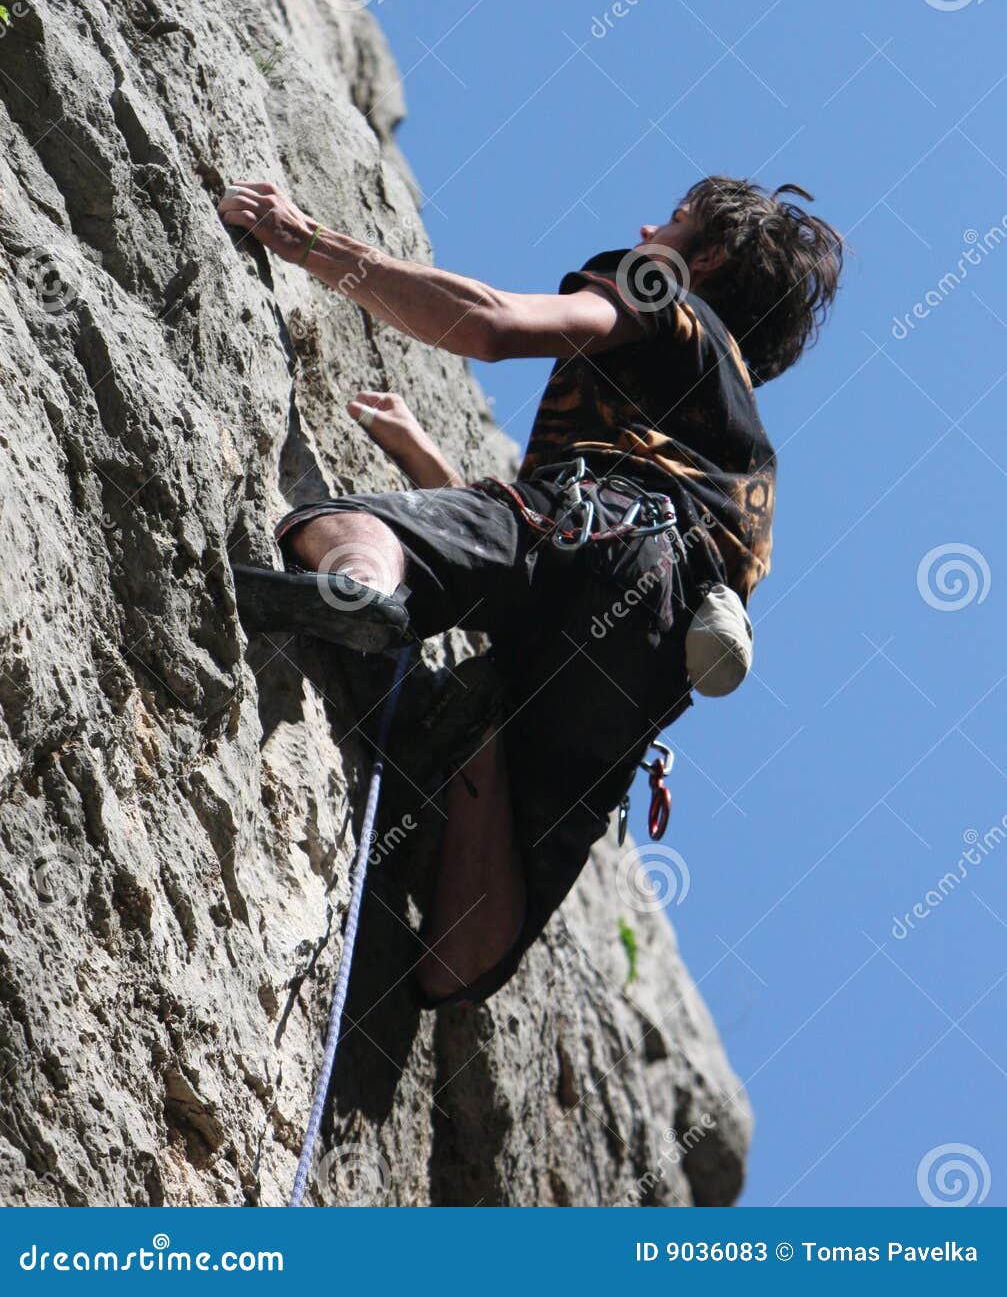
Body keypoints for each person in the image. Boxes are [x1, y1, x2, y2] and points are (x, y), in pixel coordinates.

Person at [218, 177, 844, 1006]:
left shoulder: (657, 294)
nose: (650, 225)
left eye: (678, 222)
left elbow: (489, 323)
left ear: (710, 256)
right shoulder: (743, 457)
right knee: (459, 964)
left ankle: (363, 586)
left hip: (593, 526)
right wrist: (427, 464)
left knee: (333, 525)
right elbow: (573, 569)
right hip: (642, 662)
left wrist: (305, 241)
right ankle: (487, 733)